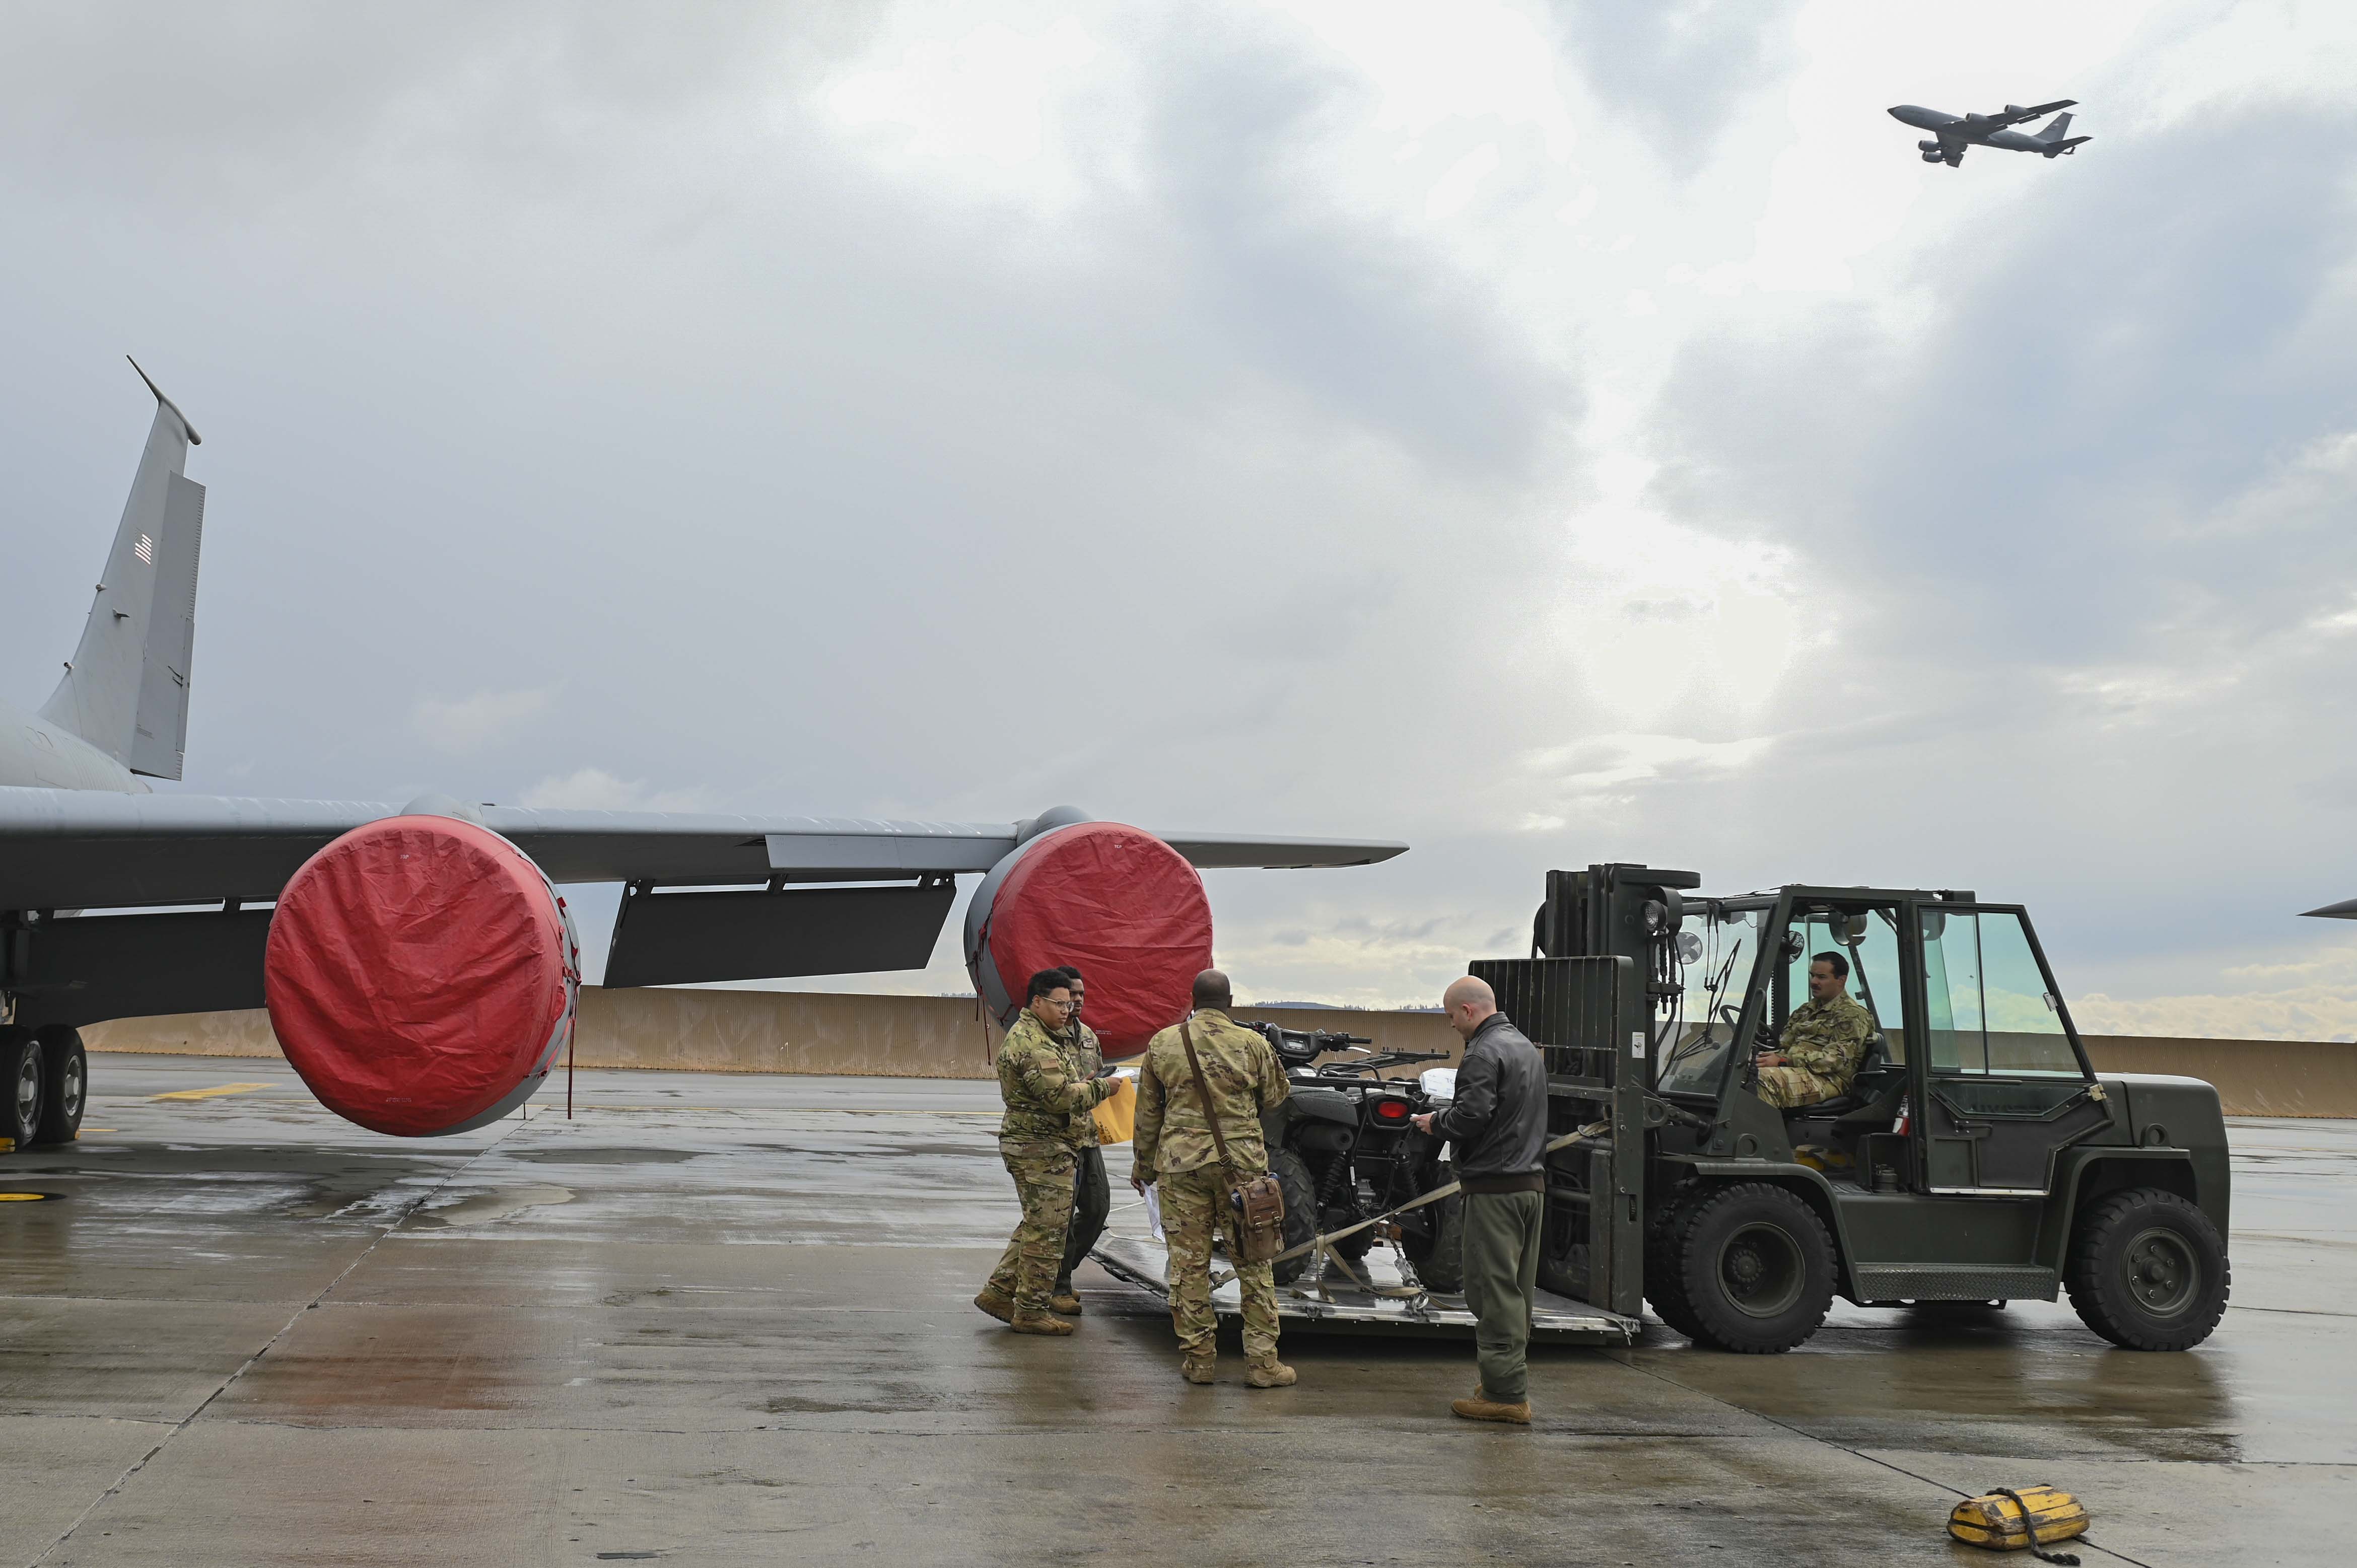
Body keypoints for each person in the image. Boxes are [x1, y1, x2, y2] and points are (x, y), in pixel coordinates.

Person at [1131, 968, 1294, 1388]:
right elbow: (1278, 1097)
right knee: (1254, 1262)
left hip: (1180, 1166)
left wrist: (1143, 1166)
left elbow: (1148, 1111)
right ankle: (1262, 1364)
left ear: (1192, 999)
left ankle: (1199, 1361)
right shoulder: (1252, 1044)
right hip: (1241, 1168)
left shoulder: (1164, 1043)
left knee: (1189, 1267)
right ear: (1231, 1002)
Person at [1411, 975, 1544, 1427]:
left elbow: (1471, 1117)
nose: (1452, 1027)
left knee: (1493, 1291)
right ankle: (1500, 1381)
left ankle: (1506, 1395)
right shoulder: (1524, 1047)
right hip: (1528, 1186)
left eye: (1451, 1017)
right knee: (1517, 1289)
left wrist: (1435, 1123)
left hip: (1495, 1190)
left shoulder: (1483, 1053)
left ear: (1468, 1011)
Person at [977, 969, 1121, 1336]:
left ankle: (998, 1292)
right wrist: (1105, 1088)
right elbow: (1060, 1098)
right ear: (1037, 1002)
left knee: (1038, 1226)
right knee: (1048, 1233)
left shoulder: (1049, 1036)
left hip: (1047, 1144)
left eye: (1069, 1002)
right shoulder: (1033, 1042)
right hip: (1040, 1147)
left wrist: (1085, 1085)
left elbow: (1065, 1086)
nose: (1067, 1009)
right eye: (1059, 1003)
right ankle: (1030, 1310)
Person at [1052, 965, 1112, 1317]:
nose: (1077, 1001)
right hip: (1059, 1140)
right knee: (1059, 1215)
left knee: (1098, 1207)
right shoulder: (1048, 1037)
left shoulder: (1089, 1036)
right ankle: (1056, 1284)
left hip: (1088, 1136)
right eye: (1071, 994)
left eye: (1081, 995)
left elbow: (1097, 1081)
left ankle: (1060, 1271)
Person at [1755, 952, 1875, 1109]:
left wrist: (1785, 1061)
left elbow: (1835, 1061)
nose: (1814, 982)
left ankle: (1761, 1133)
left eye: (1822, 977)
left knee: (1762, 1079)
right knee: (1735, 1074)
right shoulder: (1804, 1011)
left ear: (1841, 980)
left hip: (1829, 1080)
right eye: (1813, 976)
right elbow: (1783, 1047)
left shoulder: (1852, 1014)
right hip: (1796, 1072)